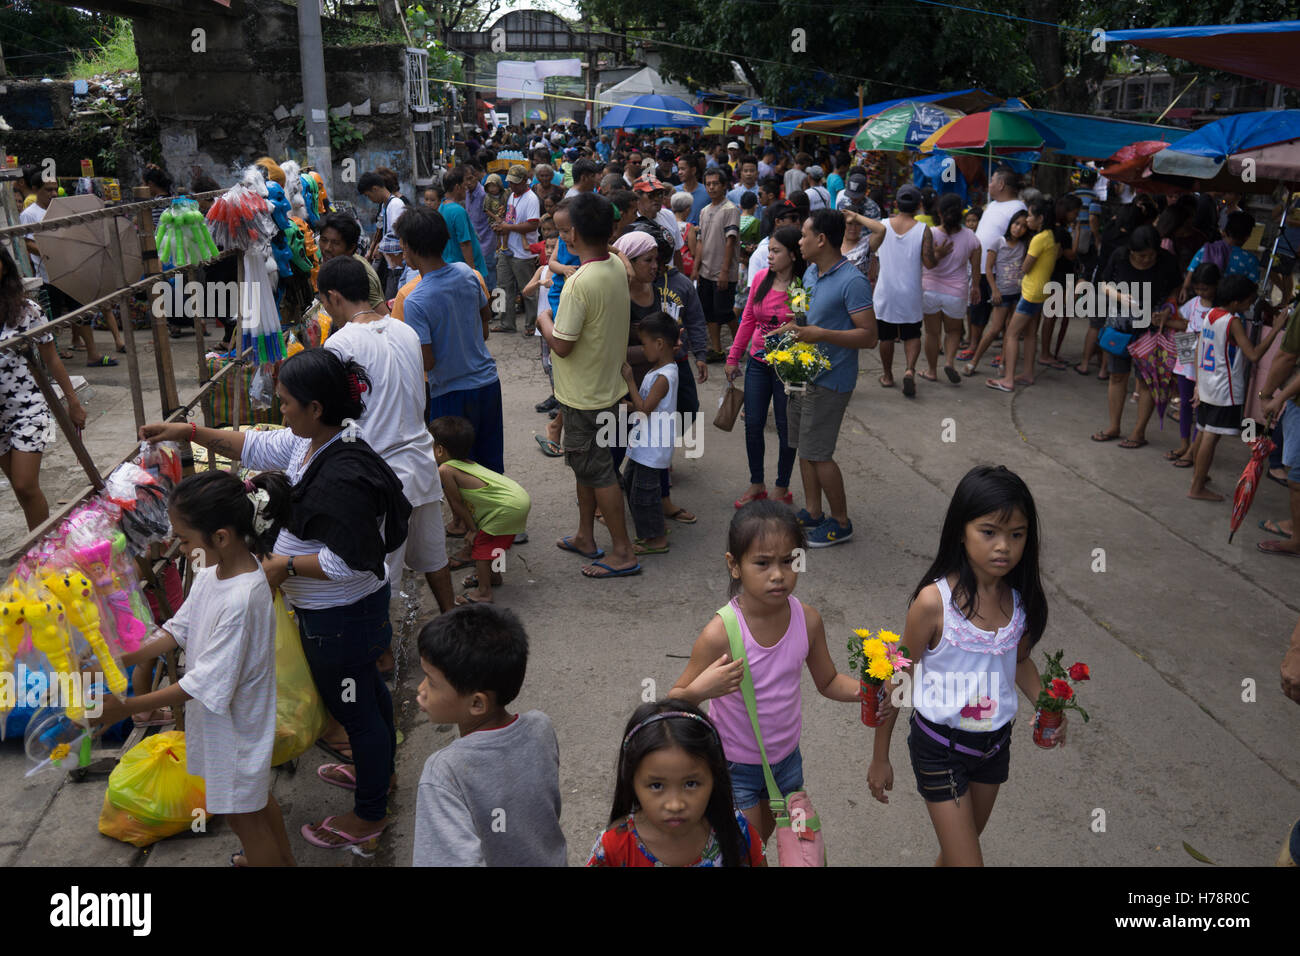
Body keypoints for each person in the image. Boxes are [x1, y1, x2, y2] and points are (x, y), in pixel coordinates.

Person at [141, 349, 410, 850]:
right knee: (367, 697)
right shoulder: (317, 441)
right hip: (339, 615)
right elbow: (255, 446)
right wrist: (187, 434)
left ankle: (370, 816)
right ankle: (380, 777)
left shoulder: (342, 474)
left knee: (357, 710)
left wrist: (281, 567)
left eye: (285, 402)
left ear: (314, 407)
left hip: (341, 617)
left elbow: (351, 561)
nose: (278, 409)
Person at [92, 470, 293, 866]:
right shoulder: (213, 571)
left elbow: (201, 683)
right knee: (253, 803)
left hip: (233, 726)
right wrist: (120, 657)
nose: (178, 547)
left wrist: (127, 707)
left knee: (243, 818)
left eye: (184, 540)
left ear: (221, 537)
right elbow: (180, 628)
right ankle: (282, 859)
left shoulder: (242, 598)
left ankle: (268, 859)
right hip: (226, 722)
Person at [868, 465, 1051, 867]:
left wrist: (1047, 704)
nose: (1003, 546)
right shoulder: (933, 604)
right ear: (960, 531)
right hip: (940, 748)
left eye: (1016, 535)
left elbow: (1019, 661)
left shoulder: (1020, 600)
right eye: (989, 532)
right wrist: (881, 755)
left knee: (955, 856)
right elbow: (899, 680)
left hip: (995, 746)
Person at [670, 501, 862, 842]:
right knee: (746, 847)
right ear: (734, 566)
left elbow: (829, 680)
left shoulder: (808, 619)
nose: (778, 574)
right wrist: (704, 689)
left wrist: (869, 691)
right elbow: (674, 703)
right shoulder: (722, 633)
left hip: (787, 762)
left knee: (766, 842)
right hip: (734, 766)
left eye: (789, 561)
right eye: (762, 563)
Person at [318, 256, 453, 615]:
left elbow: (338, 412)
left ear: (333, 296)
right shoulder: (404, 329)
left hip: (380, 471)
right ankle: (451, 616)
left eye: (323, 302)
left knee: (381, 571)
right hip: (421, 460)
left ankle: (384, 656)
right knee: (432, 554)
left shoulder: (340, 344)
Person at [535, 192, 640, 579]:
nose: (562, 237)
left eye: (564, 231)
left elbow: (561, 345)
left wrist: (544, 318)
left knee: (599, 473)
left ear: (575, 234)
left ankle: (623, 551)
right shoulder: (614, 265)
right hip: (602, 387)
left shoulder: (581, 281)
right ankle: (585, 535)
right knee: (585, 467)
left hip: (586, 396)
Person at [413, 603, 565, 865]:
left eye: (431, 681)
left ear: (477, 704)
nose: (421, 689)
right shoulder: (540, 727)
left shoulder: (444, 771)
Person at [780, 209, 877, 546]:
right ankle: (812, 511)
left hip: (831, 379)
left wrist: (822, 333)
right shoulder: (809, 273)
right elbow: (803, 314)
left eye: (805, 235)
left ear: (821, 239)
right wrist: (791, 329)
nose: (800, 241)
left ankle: (840, 521)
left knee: (819, 453)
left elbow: (869, 336)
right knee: (805, 449)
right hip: (803, 373)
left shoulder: (853, 281)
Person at [587, 699, 765, 866]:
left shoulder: (736, 830)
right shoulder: (613, 848)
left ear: (714, 778)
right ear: (632, 782)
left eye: (691, 784)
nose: (675, 805)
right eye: (656, 786)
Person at [397, 207, 503, 474]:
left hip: (451, 394)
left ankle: (464, 517)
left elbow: (428, 362)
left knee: (455, 469)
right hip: (487, 383)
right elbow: (485, 324)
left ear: (409, 247)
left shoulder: (416, 300)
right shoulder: (468, 274)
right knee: (489, 463)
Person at [0, 248, 86, 529]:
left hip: (31, 406)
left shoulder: (27, 311)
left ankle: (45, 549)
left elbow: (51, 359)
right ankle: (38, 545)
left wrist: (72, 402)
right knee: (19, 487)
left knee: (26, 484)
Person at [726, 225, 803, 509]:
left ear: (793, 255)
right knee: (753, 424)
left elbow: (805, 327)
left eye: (776, 251)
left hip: (789, 368)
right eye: (769, 250)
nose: (769, 256)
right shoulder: (760, 278)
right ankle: (756, 484)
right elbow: (747, 319)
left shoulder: (801, 286)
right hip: (757, 362)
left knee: (786, 428)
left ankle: (782, 488)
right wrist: (733, 357)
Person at [1188, 276, 1281, 502]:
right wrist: (1276, 329)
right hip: (1224, 389)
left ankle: (1198, 477)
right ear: (1237, 301)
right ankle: (1197, 486)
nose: (1251, 305)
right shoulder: (1233, 321)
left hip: (1209, 384)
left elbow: (1199, 347)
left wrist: (1198, 384)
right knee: (1211, 436)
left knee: (1205, 431)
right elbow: (1254, 354)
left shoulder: (1211, 313)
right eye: (1249, 301)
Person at [1089, 225, 1182, 445]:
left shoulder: (1166, 260)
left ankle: (1138, 433)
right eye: (1141, 256)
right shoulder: (1119, 256)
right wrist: (1119, 296)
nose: (1146, 260)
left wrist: (1169, 307)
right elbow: (1103, 284)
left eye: (1151, 256)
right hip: (1120, 325)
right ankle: (1114, 426)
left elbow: (1176, 289)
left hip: (1152, 327)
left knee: (1147, 380)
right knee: (1117, 374)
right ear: (1131, 251)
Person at [20, 175, 118, 367]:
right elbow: (28, 243)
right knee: (52, 319)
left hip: (72, 271)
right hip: (49, 275)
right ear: (35, 189)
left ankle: (93, 354)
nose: (53, 193)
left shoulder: (60, 210)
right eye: (48, 189)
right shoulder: (29, 214)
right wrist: (53, 251)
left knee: (82, 312)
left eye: (55, 189)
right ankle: (53, 358)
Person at [432, 416, 531, 604]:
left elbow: (457, 503)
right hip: (517, 500)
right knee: (496, 545)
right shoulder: (467, 463)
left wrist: (472, 530)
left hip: (507, 508)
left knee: (481, 548)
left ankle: (484, 592)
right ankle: (494, 577)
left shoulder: (445, 470)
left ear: (439, 450)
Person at [852, 184, 931, 397]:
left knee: (886, 337)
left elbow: (873, 258)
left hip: (885, 291)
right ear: (918, 206)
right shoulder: (923, 230)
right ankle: (909, 370)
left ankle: (887, 376)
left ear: (896, 204)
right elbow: (929, 262)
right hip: (911, 292)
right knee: (912, 333)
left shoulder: (882, 225)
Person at [618, 312, 680, 557]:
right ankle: (652, 529)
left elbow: (644, 408)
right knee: (634, 485)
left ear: (660, 344)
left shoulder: (664, 376)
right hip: (644, 444)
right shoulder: (660, 370)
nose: (643, 350)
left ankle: (656, 539)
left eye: (644, 344)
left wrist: (630, 379)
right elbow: (646, 406)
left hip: (652, 448)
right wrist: (629, 405)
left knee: (644, 493)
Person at [987, 197, 1059, 393]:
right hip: (1041, 291)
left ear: (1040, 218)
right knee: (1029, 334)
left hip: (1030, 292)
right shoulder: (1051, 236)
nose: (1027, 220)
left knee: (1011, 333)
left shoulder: (1038, 239)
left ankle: (1008, 379)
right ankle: (1027, 373)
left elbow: (1026, 267)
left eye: (1029, 216)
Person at [922, 193, 982, 385]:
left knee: (932, 333)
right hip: (956, 293)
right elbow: (976, 269)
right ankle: (949, 362)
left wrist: (938, 254)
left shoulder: (930, 233)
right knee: (954, 331)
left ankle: (931, 371)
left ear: (939, 213)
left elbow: (928, 265)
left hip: (929, 290)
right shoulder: (971, 237)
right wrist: (976, 288)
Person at [968, 167, 1026, 363]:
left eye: (992, 181)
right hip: (980, 267)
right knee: (976, 310)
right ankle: (974, 345)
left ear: (1001, 184)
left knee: (1003, 314)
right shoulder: (992, 205)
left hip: (1001, 273)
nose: (989, 185)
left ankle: (1005, 352)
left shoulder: (1018, 208)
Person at [1167, 263, 1220, 468]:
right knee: (1185, 404)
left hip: (1206, 359)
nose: (1200, 292)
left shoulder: (1220, 309)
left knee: (1200, 407)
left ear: (1216, 285)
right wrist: (1164, 321)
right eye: (1197, 288)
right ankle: (1184, 444)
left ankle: (1192, 451)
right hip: (1187, 353)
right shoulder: (1193, 303)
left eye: (1205, 288)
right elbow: (1183, 323)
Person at [966, 210, 1028, 376]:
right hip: (1002, 293)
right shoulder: (998, 242)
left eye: (1023, 226)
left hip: (1018, 293)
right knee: (994, 329)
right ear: (1010, 224)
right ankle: (974, 362)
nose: (1019, 228)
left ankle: (1003, 364)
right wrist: (994, 289)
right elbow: (988, 267)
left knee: (1010, 330)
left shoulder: (1024, 246)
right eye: (1016, 224)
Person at [697, 167, 741, 362]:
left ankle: (739, 345)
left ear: (724, 186)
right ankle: (717, 349)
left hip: (723, 272)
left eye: (715, 183)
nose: (711, 187)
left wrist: (724, 271)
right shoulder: (705, 211)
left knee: (724, 311)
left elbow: (730, 241)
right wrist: (697, 268)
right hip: (705, 271)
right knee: (709, 313)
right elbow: (700, 241)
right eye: (708, 184)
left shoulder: (730, 209)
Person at [491, 166, 542, 334]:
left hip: (523, 252)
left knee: (528, 289)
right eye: (510, 182)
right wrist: (502, 227)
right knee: (502, 286)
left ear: (524, 181)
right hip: (508, 249)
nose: (511, 185)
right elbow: (510, 219)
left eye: (515, 182)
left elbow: (533, 224)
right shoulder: (512, 195)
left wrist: (508, 227)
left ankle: (532, 324)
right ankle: (506, 322)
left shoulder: (531, 199)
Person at [317, 213, 388, 315]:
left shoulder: (359, 275)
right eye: (324, 240)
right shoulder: (335, 264)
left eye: (335, 243)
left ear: (350, 248)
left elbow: (384, 316)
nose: (327, 248)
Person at [358, 170, 407, 299]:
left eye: (368, 196)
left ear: (375, 189)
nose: (370, 200)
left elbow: (396, 235)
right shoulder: (386, 205)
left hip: (397, 266)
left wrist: (380, 248)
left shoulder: (395, 204)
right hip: (391, 265)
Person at [438, 167, 488, 280]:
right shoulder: (457, 211)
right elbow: (465, 243)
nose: (466, 189)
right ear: (457, 187)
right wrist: (472, 272)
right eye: (464, 186)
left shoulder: (442, 206)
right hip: (464, 269)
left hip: (453, 266)